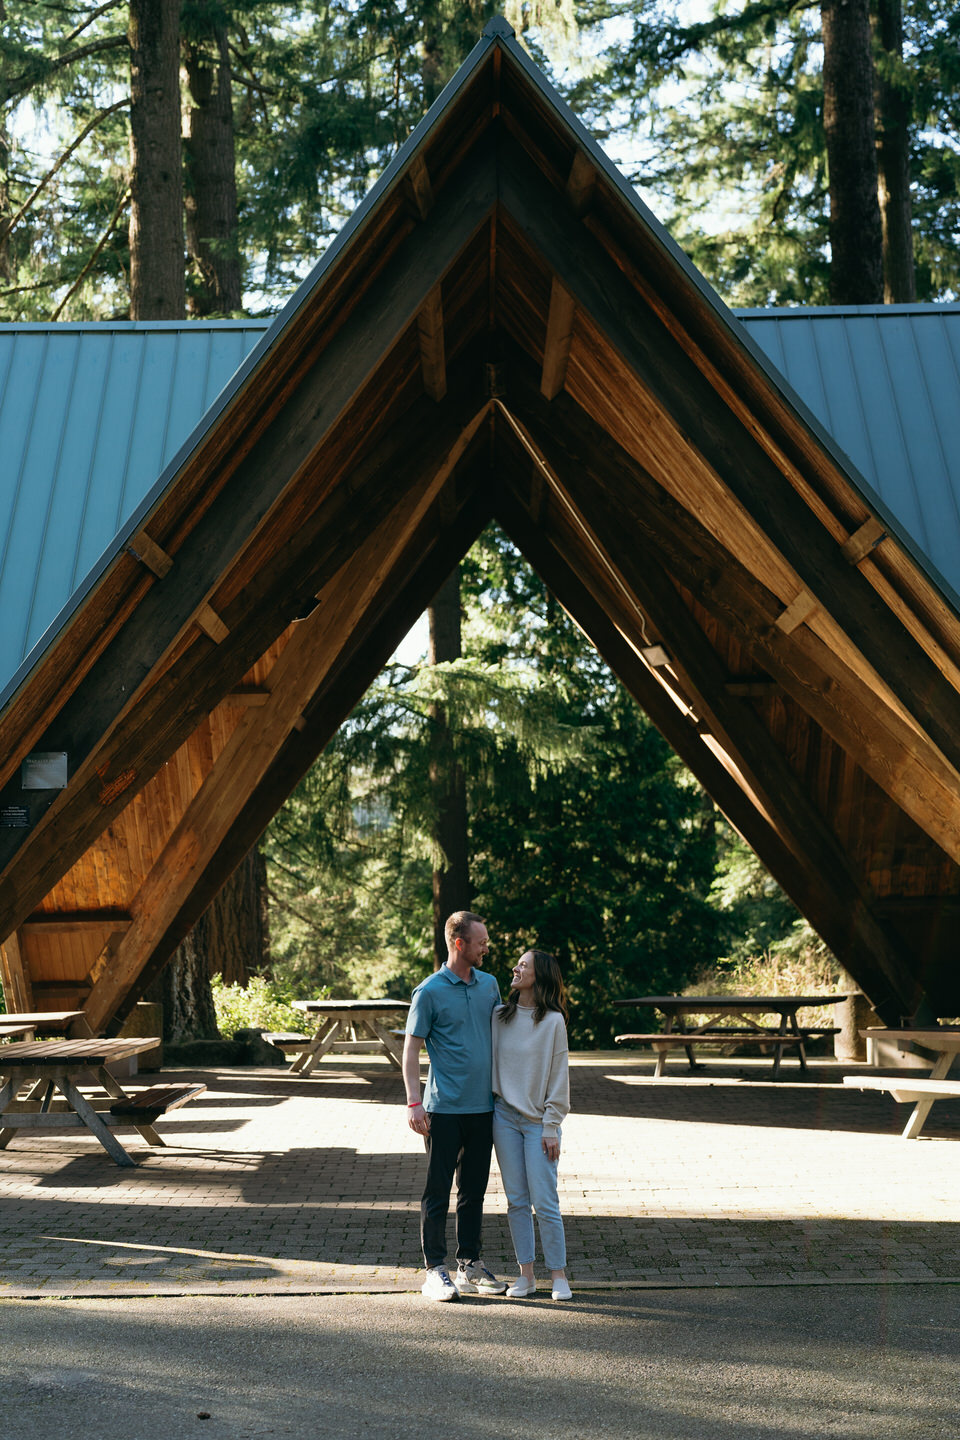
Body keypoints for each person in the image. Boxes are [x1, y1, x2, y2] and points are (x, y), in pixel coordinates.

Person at [403, 910, 508, 1302]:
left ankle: (470, 1265)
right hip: (442, 1110)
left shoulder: (490, 985)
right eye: (481, 942)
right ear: (459, 944)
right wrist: (413, 1102)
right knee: (437, 1191)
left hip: (483, 1108)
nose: (486, 948)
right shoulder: (428, 991)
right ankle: (434, 1270)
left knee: (474, 1191)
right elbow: (410, 1051)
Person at [492, 949, 572, 1301]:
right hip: (503, 1118)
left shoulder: (553, 1022)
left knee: (545, 1200)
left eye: (523, 965)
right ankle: (525, 1276)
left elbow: (559, 1076)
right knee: (516, 1200)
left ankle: (558, 1276)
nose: (516, 968)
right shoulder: (499, 1016)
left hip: (539, 1123)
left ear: (539, 975)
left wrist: (552, 1125)